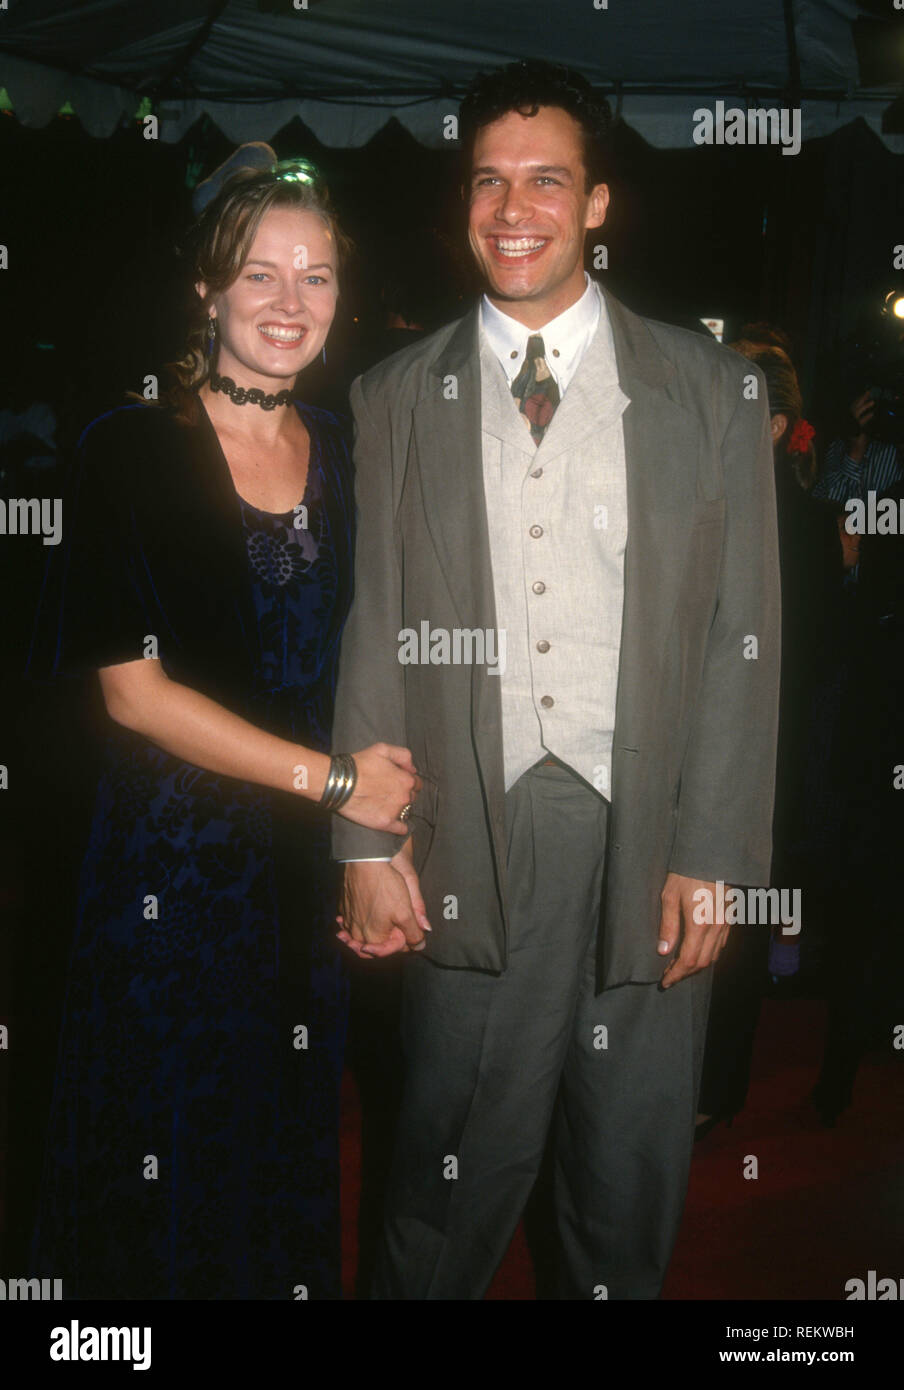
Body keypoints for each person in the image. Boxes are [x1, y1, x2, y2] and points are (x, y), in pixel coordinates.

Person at [330, 60, 780, 1300]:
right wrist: (364, 843)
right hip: (467, 828)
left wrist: (717, 851)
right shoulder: (390, 397)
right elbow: (374, 626)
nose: (511, 206)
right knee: (444, 1172)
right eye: (488, 180)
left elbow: (748, 633)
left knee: (627, 1170)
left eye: (545, 179)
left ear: (595, 205)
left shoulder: (709, 387)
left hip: (649, 827)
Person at [29, 150, 419, 1299]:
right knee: (160, 1145)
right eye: (260, 274)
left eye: (318, 275)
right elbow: (131, 692)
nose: (291, 302)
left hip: (300, 875)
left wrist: (378, 842)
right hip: (167, 870)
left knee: (280, 1132)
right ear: (207, 290)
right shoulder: (126, 446)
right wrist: (335, 784)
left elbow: (383, 657)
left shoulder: (351, 453)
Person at [695, 340, 842, 1137]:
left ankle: (711, 1090)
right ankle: (692, 1086)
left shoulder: (809, 526)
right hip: (703, 749)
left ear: (777, 424)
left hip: (767, 757)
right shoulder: (698, 499)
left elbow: (812, 662)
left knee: (740, 918)